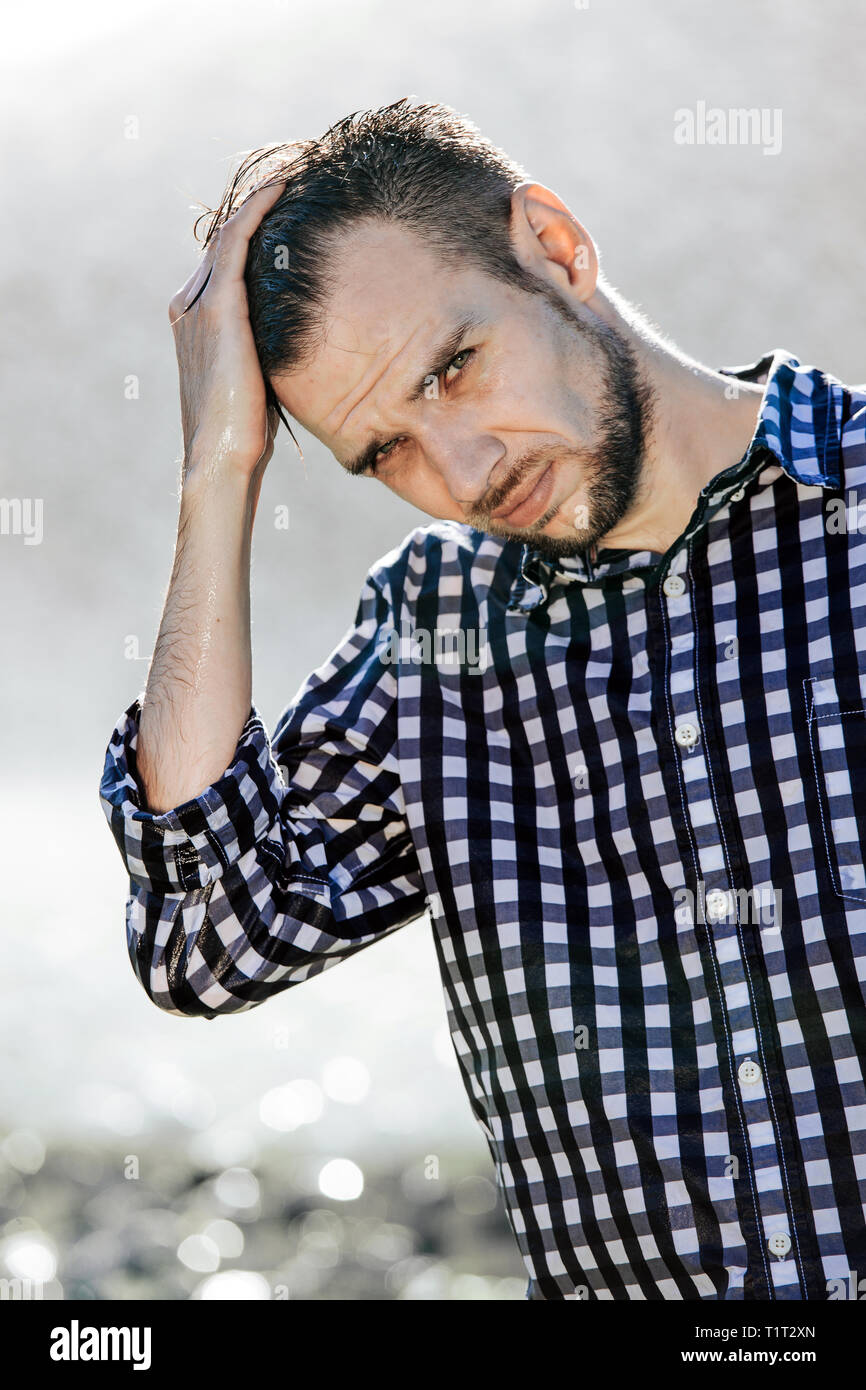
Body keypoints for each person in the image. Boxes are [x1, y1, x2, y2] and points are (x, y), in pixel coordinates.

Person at [100, 97, 866, 1300]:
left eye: (453, 369)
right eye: (385, 453)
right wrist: (217, 474)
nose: (461, 474)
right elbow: (207, 935)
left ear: (554, 247)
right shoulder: (429, 636)